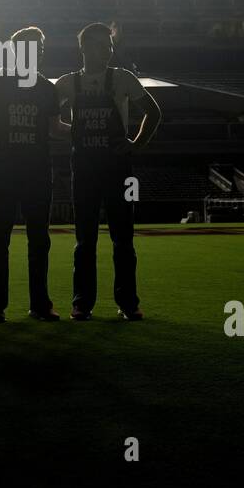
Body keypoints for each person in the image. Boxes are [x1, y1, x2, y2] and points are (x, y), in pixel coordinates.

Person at [54, 23, 162, 321]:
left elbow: (154, 113)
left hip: (118, 168)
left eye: (109, 46)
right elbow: (48, 122)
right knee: (84, 241)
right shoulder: (66, 83)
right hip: (85, 168)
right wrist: (73, 132)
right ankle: (82, 304)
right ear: (85, 47)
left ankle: (128, 303)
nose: (108, 50)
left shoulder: (123, 79)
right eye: (102, 45)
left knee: (123, 240)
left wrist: (136, 145)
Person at [0, 26, 64, 322]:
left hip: (37, 169)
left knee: (39, 239)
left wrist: (88, 128)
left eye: (39, 48)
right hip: (4, 168)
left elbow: (55, 128)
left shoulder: (46, 88)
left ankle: (39, 304)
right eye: (31, 47)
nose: (37, 52)